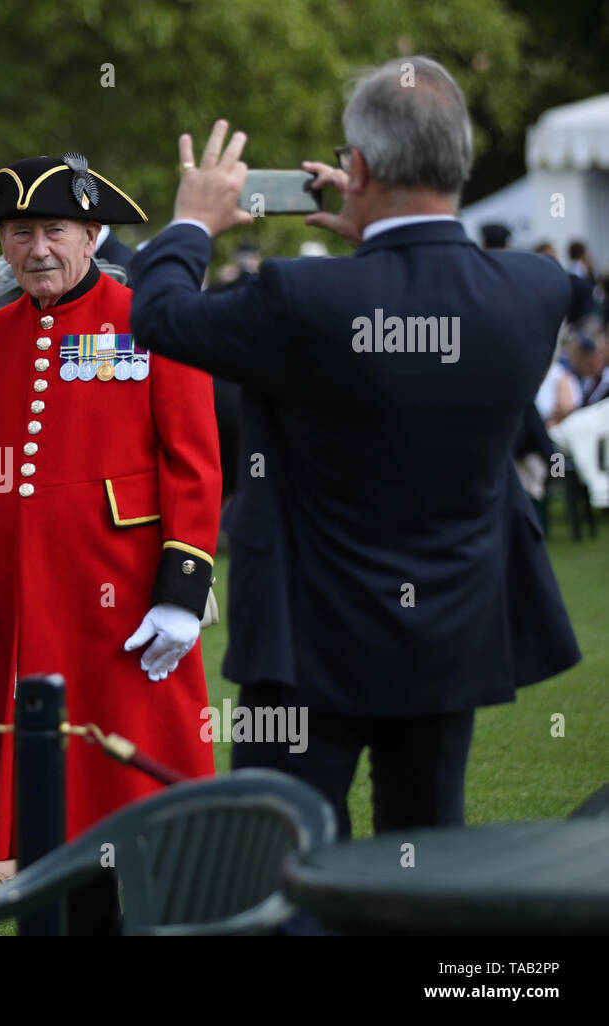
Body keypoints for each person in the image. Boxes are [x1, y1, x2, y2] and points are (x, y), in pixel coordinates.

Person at [130, 56, 581, 839]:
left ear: (359, 167)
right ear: (462, 163)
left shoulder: (302, 297)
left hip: (309, 639)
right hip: (452, 630)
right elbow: (441, 276)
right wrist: (381, 227)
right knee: (428, 845)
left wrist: (192, 221)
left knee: (286, 856)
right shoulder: (533, 292)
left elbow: (159, 313)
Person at [0, 153, 222, 889]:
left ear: (93, 234)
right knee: (44, 765)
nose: (37, 249)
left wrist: (182, 591)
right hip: (22, 597)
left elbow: (194, 460)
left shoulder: (151, 319)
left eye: (54, 229)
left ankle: (162, 890)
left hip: (127, 592)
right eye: (18, 234)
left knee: (136, 760)